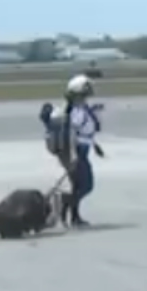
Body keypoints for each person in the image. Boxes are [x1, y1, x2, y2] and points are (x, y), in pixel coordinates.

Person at [62, 74, 105, 227]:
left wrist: (95, 146)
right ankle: (65, 202)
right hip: (79, 151)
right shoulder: (77, 111)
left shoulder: (82, 108)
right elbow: (73, 133)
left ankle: (74, 217)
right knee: (86, 185)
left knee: (78, 185)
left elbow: (86, 131)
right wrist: (73, 154)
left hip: (83, 149)